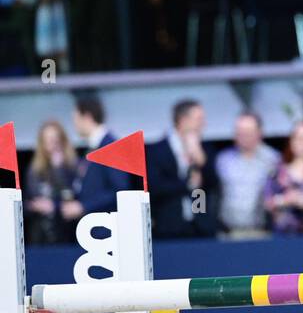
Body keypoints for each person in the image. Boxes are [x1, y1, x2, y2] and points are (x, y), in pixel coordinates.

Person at [145, 99, 221, 239]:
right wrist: (187, 184)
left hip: (201, 227)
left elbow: (213, 184)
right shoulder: (157, 151)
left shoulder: (205, 148)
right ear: (183, 120)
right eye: (199, 119)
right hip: (168, 228)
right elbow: (155, 187)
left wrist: (202, 162)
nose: (203, 124)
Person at [214, 111, 280, 235]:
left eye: (247, 132)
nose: (242, 136)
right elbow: (200, 190)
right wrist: (199, 215)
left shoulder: (273, 160)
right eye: (239, 132)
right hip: (227, 233)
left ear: (260, 133)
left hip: (261, 232)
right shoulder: (222, 160)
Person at [68, 93, 133, 216]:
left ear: (87, 117)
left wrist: (84, 206)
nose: (74, 125)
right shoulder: (93, 146)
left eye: (76, 119)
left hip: (106, 227)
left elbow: (119, 191)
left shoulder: (110, 147)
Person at [263, 119, 303, 235]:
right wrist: (285, 200)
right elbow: (267, 202)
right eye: (296, 138)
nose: (300, 143)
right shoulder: (277, 168)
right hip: (284, 236)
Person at [23, 120, 79, 245]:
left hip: (67, 234)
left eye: (55, 139)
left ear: (62, 141)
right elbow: (26, 202)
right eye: (47, 140)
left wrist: (59, 169)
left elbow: (74, 198)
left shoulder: (72, 167)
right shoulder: (35, 170)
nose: (52, 144)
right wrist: (35, 206)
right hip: (40, 235)